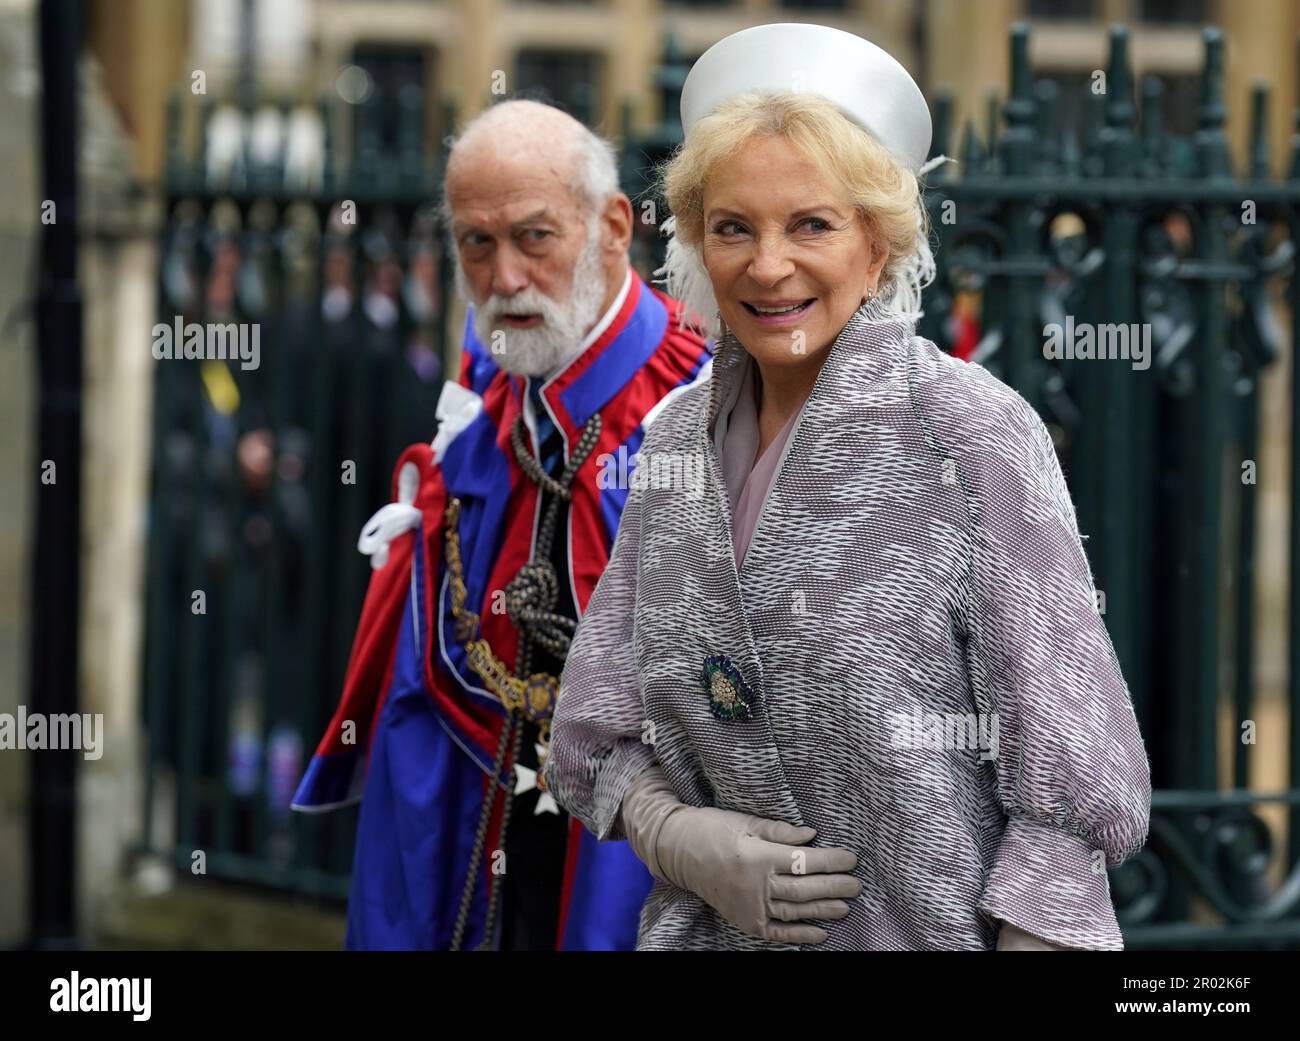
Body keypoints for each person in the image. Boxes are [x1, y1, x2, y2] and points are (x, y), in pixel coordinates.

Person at [542, 23, 1152, 951]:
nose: (769, 263)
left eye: (812, 225)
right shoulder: (671, 440)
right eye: (733, 227)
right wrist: (677, 836)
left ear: (879, 246)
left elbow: (1069, 801)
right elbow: (593, 737)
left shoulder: (972, 434)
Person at [292, 99, 713, 950]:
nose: (505, 277)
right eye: (475, 244)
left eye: (534, 237)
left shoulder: (706, 405)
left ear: (613, 226)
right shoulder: (485, 416)